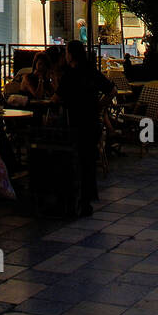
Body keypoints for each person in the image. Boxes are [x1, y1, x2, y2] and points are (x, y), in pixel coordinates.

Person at [54, 41, 115, 216]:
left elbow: (56, 99)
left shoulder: (69, 75)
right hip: (91, 123)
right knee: (88, 163)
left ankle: (72, 199)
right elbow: (112, 91)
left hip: (74, 123)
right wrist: (98, 106)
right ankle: (86, 201)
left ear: (70, 55)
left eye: (66, 52)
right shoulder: (91, 72)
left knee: (73, 163)